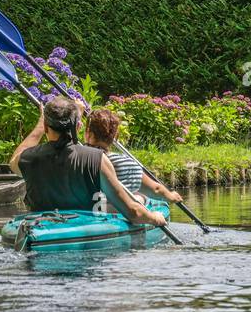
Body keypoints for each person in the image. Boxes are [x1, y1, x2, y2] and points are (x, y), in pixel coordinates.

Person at [9, 94, 168, 229]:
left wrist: (40, 124)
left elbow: (14, 160)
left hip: (42, 231)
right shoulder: (97, 159)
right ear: (78, 126)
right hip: (85, 235)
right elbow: (133, 213)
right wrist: (155, 217)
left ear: (45, 126)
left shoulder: (28, 159)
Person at [83, 108, 183, 211]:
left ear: (88, 135)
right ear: (115, 137)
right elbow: (155, 189)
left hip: (85, 208)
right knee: (141, 197)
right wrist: (171, 196)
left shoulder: (77, 158)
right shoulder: (125, 162)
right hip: (113, 210)